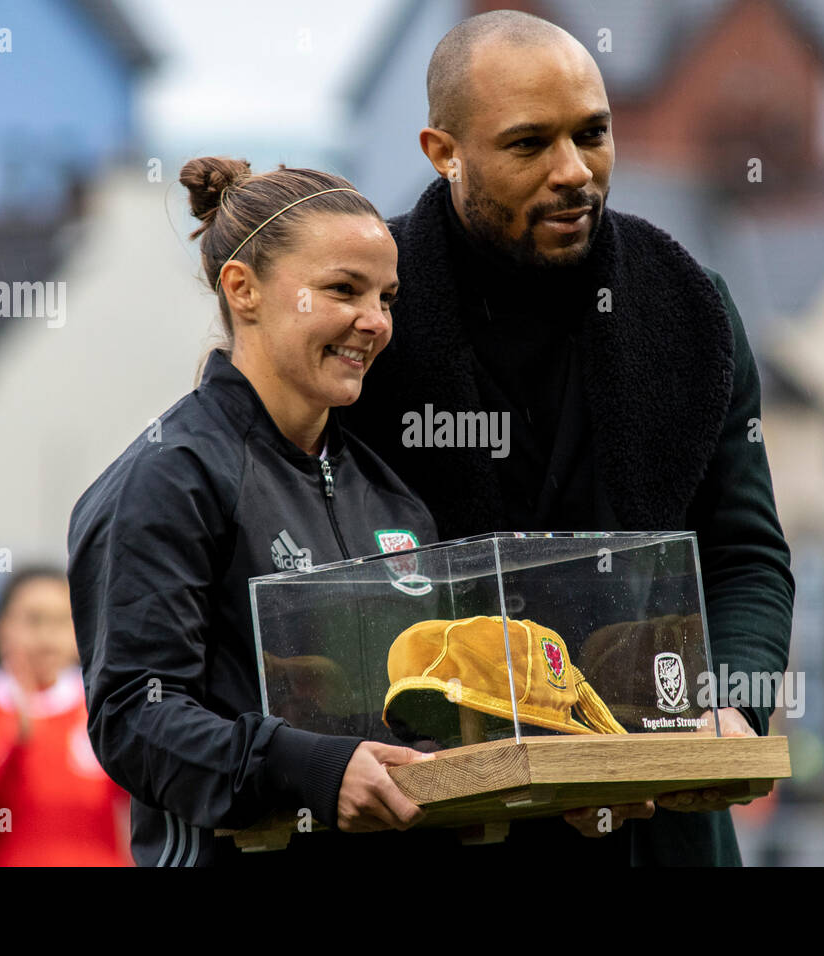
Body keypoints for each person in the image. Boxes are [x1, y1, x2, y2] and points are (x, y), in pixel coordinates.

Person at [340, 11, 796, 865]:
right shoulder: (369, 324)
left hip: (659, 817)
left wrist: (733, 705)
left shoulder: (694, 314)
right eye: (528, 144)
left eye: (594, 134)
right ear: (443, 151)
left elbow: (745, 556)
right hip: (442, 813)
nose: (574, 172)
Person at [66, 159, 450, 867]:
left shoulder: (393, 498)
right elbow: (135, 720)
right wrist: (311, 771)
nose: (375, 322)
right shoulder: (169, 478)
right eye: (343, 289)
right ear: (242, 289)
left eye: (387, 297)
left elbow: (420, 719)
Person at [0, 567, 132, 866]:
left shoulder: (102, 704)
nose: (48, 635)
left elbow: (137, 801)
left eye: (63, 621)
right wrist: (15, 749)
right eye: (33, 619)